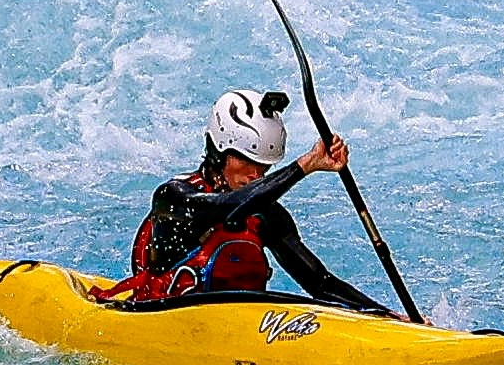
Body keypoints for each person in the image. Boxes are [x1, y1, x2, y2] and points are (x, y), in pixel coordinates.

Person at [110, 87, 383, 314]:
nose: (255, 174)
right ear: (218, 151)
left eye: (263, 166)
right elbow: (226, 208)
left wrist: (387, 317)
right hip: (165, 322)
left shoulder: (267, 216)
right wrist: (305, 166)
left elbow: (321, 284)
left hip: (240, 331)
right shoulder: (174, 199)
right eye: (246, 160)